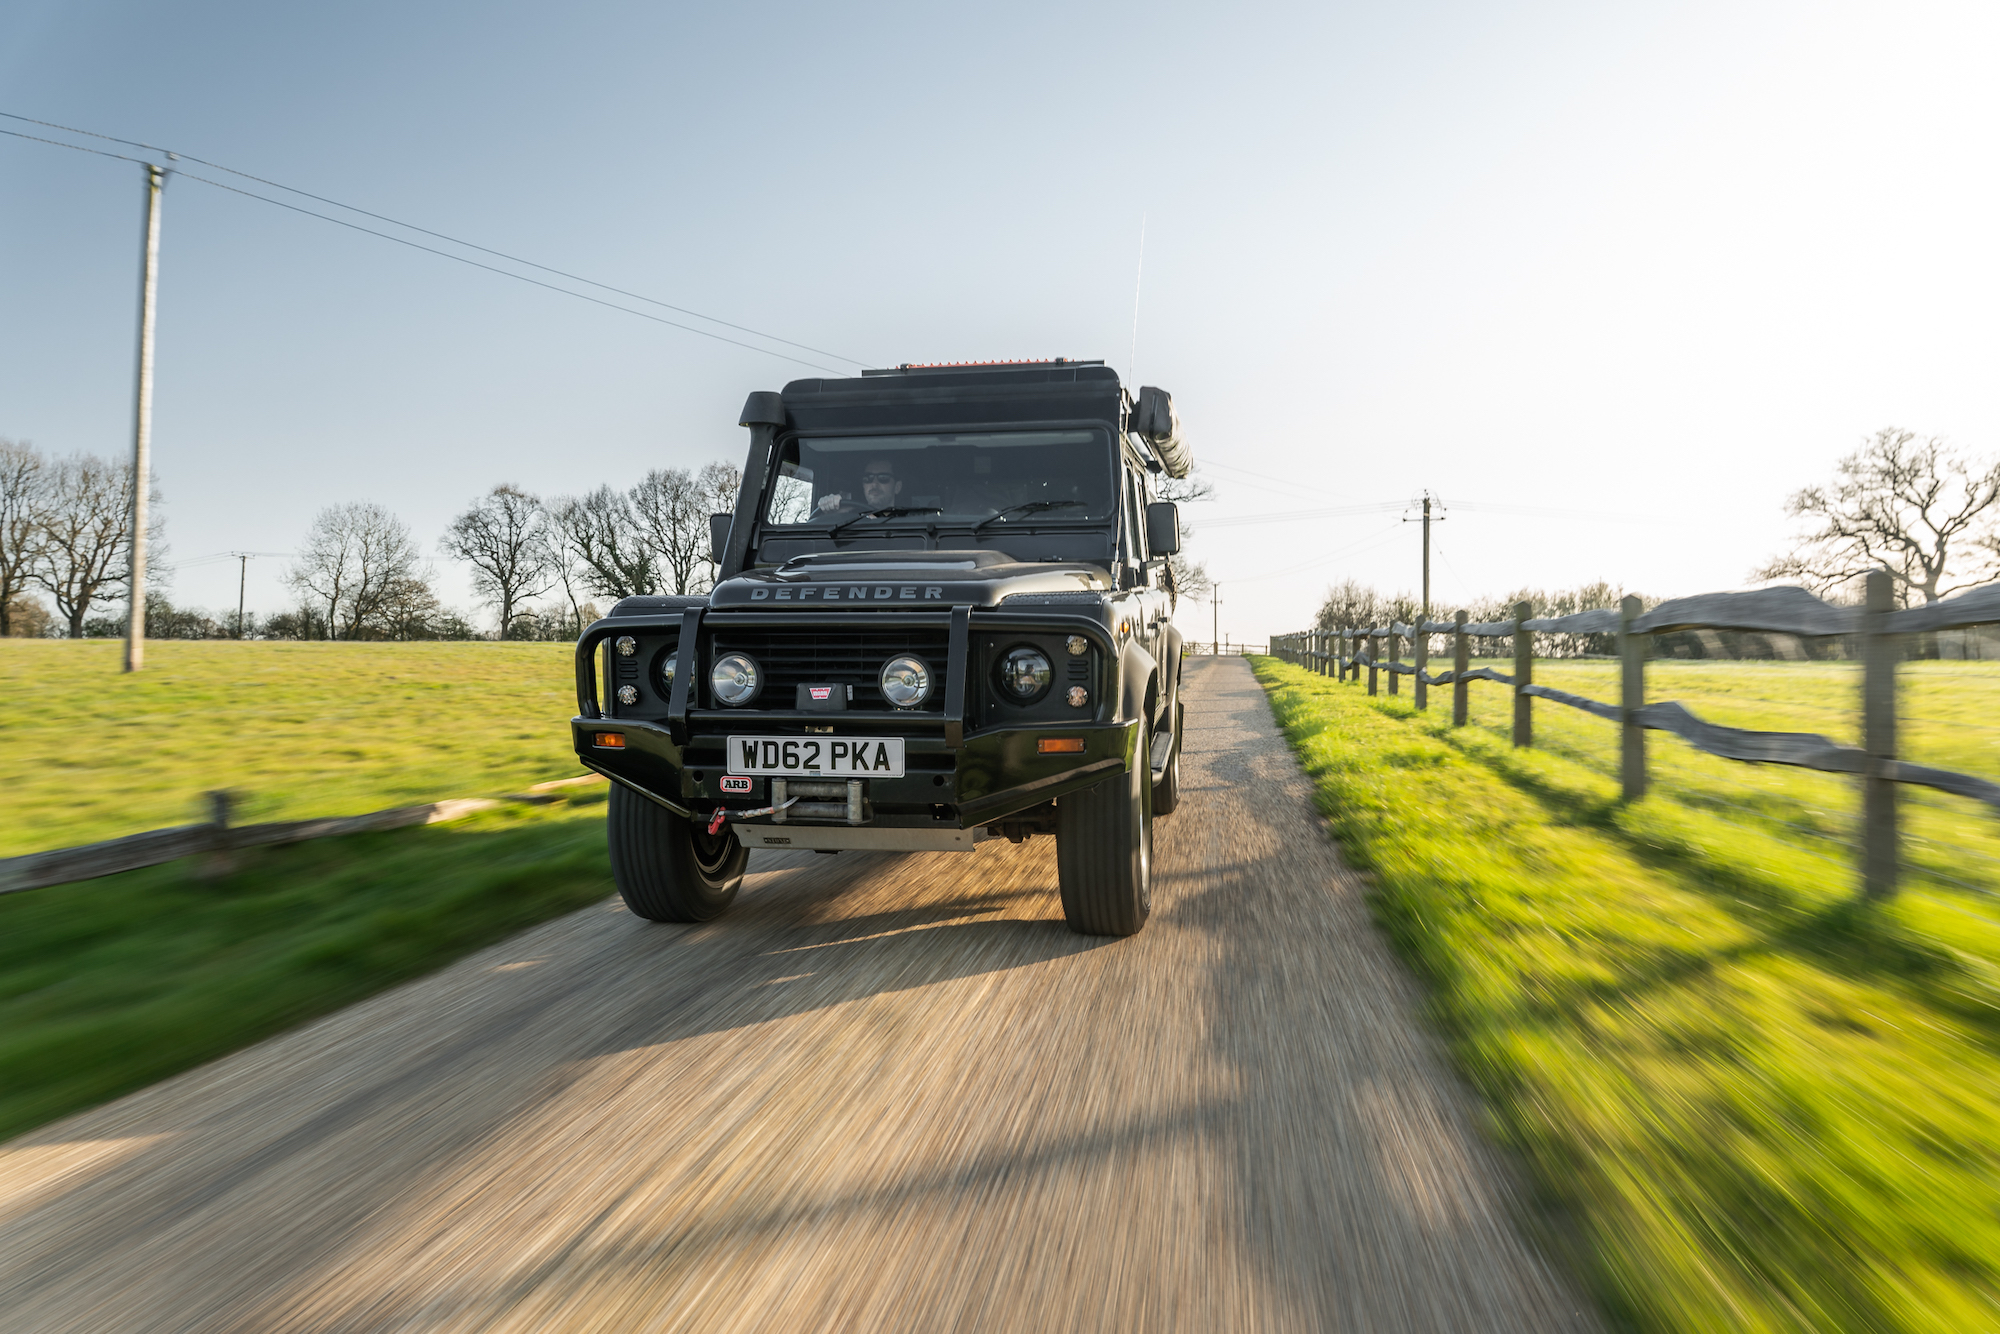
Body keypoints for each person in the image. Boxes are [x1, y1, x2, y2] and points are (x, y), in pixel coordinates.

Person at [817, 457, 903, 514]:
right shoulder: (847, 520)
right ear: (863, 486)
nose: (874, 484)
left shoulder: (910, 522)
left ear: (897, 487)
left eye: (883, 478)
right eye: (868, 478)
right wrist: (829, 507)